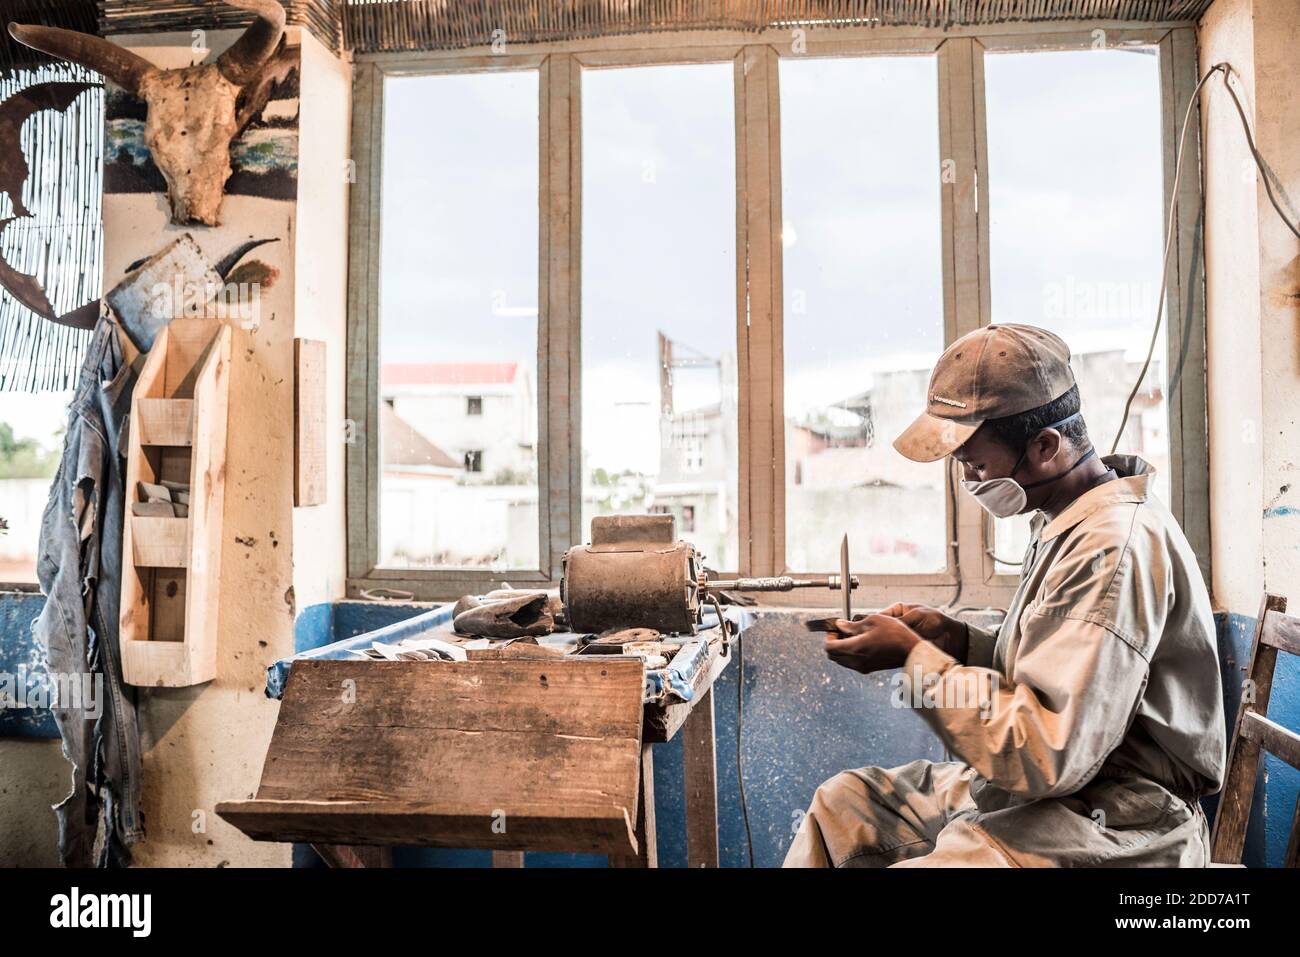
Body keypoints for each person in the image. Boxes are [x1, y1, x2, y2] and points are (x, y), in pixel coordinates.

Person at [784, 323, 1226, 867]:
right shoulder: (1065, 519)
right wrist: (954, 640)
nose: (969, 479)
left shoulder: (1111, 548)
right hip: (1063, 791)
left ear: (1045, 446)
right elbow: (1053, 672)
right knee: (844, 806)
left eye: (975, 463)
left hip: (1125, 816)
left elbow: (1044, 753)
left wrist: (911, 657)